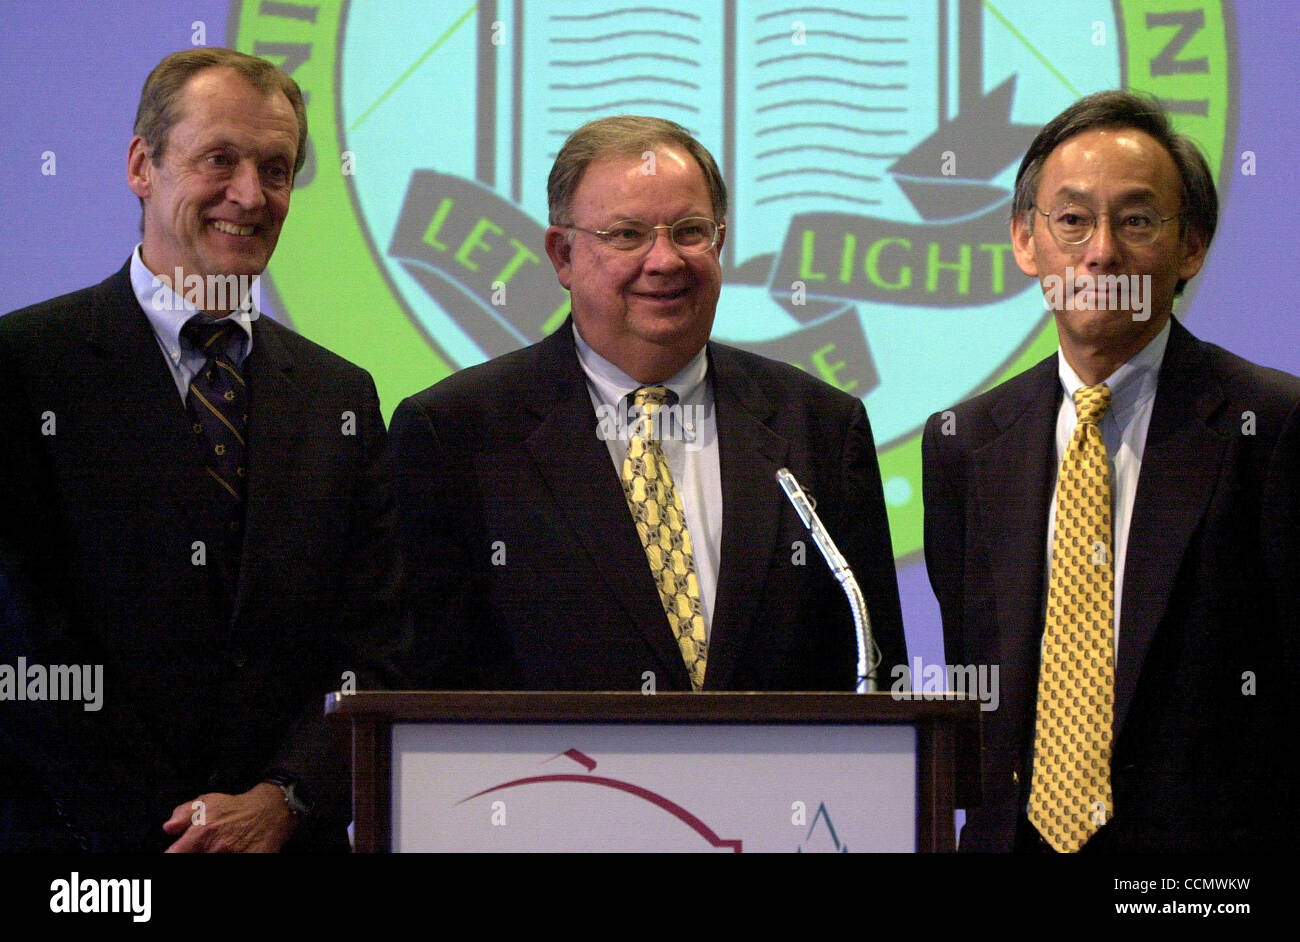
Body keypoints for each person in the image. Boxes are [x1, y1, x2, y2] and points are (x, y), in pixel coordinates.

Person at [0, 48, 401, 852]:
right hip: (82, 855)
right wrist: (170, 832)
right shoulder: (24, 367)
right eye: (220, 159)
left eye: (277, 169)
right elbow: (21, 640)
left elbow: (378, 641)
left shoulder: (341, 397)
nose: (250, 196)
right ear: (142, 166)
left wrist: (283, 799)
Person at [392, 115, 905, 692]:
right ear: (562, 254)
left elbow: (878, 681)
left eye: (689, 232)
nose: (664, 261)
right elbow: (426, 695)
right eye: (628, 235)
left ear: (721, 244)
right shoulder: (455, 434)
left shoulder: (820, 426)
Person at [922, 90, 1299, 852]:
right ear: (1026, 242)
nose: (1100, 252)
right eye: (1071, 220)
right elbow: (977, 682)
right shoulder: (963, 443)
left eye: (1136, 220)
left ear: (1191, 246)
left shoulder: (1271, 424)